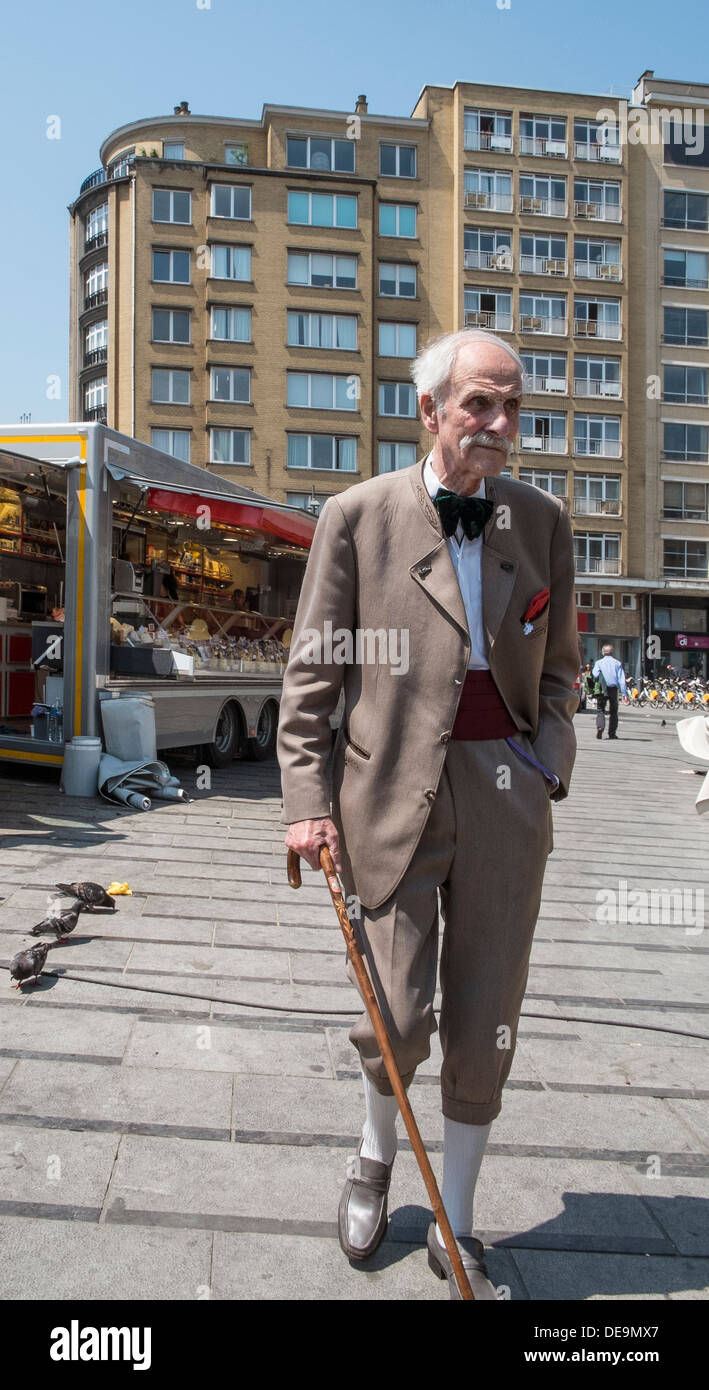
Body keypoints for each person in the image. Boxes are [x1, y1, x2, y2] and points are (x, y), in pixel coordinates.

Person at [277, 328, 579, 1299]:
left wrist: (547, 766)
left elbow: (564, 673)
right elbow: (312, 678)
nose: (496, 424)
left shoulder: (540, 519)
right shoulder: (355, 517)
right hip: (387, 790)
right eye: (477, 404)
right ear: (430, 411)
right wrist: (304, 806)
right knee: (395, 1011)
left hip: (505, 791)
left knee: (485, 1015)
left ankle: (457, 1216)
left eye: (511, 406)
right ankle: (374, 1157)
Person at [592, 644, 628, 740]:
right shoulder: (617, 663)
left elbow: (595, 674)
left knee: (600, 709)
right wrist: (624, 694)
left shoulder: (598, 663)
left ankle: (600, 727)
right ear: (612, 653)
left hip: (602, 689)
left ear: (603, 653)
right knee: (614, 711)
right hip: (613, 689)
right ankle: (612, 734)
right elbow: (622, 680)